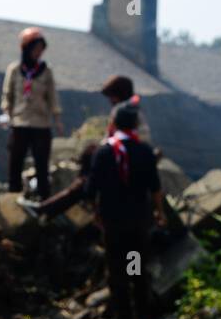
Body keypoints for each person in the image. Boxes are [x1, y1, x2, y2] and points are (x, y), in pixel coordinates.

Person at [19, 73, 143, 221]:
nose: (110, 100)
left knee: (85, 183)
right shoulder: (125, 111)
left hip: (122, 164)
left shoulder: (131, 115)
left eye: (112, 96)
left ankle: (48, 208)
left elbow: (132, 142)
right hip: (117, 159)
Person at [87, 102, 165, 319]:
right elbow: (156, 189)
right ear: (136, 126)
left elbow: (92, 190)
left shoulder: (103, 152)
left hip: (113, 222)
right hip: (139, 221)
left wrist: (96, 213)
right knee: (138, 268)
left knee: (117, 270)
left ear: (113, 123)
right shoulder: (145, 151)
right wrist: (159, 213)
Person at [1, 27, 62, 199]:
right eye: (35, 49)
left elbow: (52, 97)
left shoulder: (46, 71)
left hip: (40, 124)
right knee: (16, 161)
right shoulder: (14, 70)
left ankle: (44, 198)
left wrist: (57, 119)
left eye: (41, 50)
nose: (38, 53)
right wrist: (6, 113)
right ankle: (13, 195)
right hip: (19, 122)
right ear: (26, 49)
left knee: (41, 163)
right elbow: (8, 95)